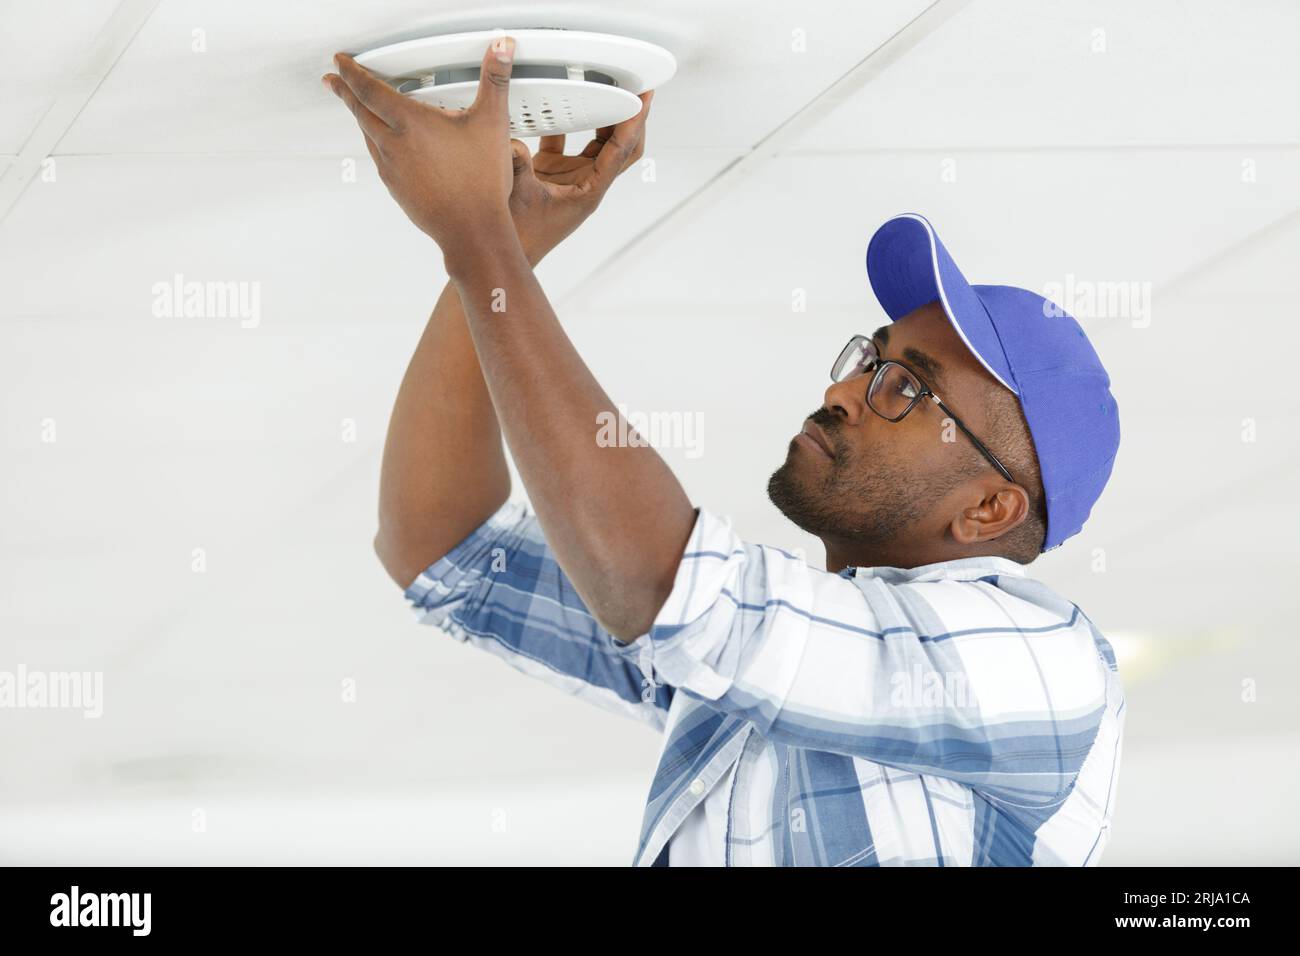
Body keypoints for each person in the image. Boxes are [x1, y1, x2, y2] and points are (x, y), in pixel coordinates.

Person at [323, 34, 1124, 866]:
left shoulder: (1041, 663)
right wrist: (498, 254)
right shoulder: (771, 664)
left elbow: (662, 587)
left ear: (990, 508)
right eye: (870, 358)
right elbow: (448, 551)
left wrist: (480, 240)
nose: (844, 391)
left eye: (905, 388)